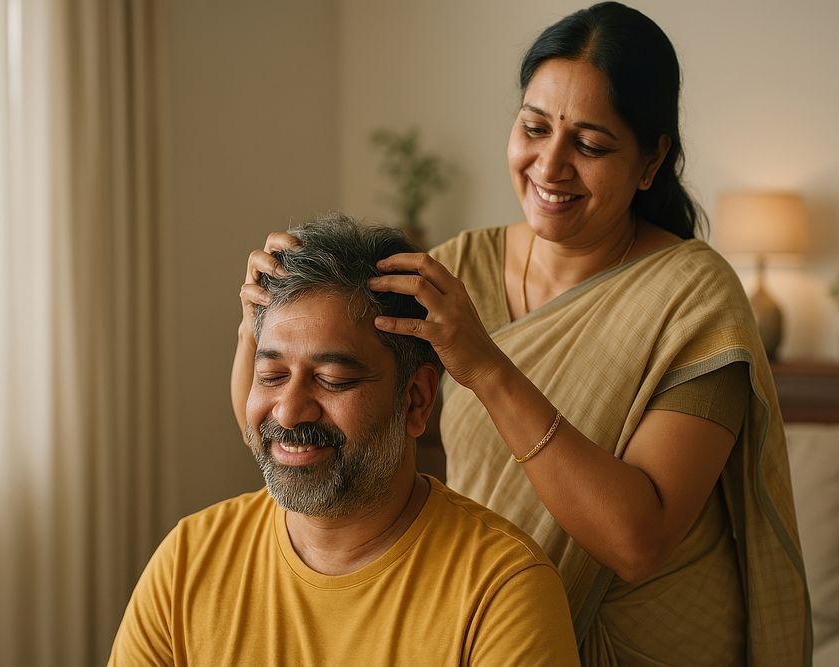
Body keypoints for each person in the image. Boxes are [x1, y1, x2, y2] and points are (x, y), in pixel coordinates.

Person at [233, 3, 811, 665]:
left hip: (646, 646)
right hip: (490, 627)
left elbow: (637, 539)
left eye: (590, 145)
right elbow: (287, 437)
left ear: (651, 160)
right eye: (534, 127)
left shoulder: (694, 296)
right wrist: (257, 322)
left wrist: (486, 366)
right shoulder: (454, 271)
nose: (551, 164)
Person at [113, 215, 580, 665]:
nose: (290, 411)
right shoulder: (187, 561)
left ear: (416, 401)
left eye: (333, 379)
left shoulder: (500, 590)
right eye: (272, 375)